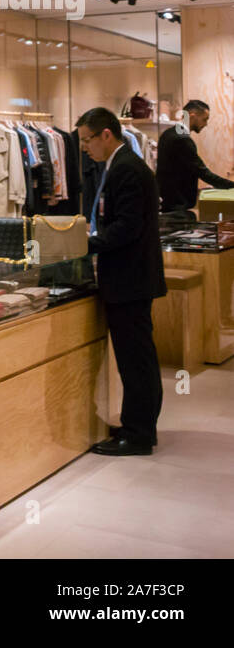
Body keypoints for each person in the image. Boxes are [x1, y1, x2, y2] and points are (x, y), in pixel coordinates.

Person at [76, 107, 166, 455]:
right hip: (130, 277)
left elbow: (128, 228)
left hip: (130, 279)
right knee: (136, 357)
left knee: (136, 359)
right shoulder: (122, 164)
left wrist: (86, 243)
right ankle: (137, 425)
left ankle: (139, 433)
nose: (85, 148)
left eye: (87, 140)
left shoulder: (127, 168)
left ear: (106, 135)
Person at [157, 99, 234, 215]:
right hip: (177, 205)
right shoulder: (182, 139)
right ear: (192, 116)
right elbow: (202, 172)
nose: (206, 124)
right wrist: (231, 186)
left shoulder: (167, 134)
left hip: (167, 202)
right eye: (204, 119)